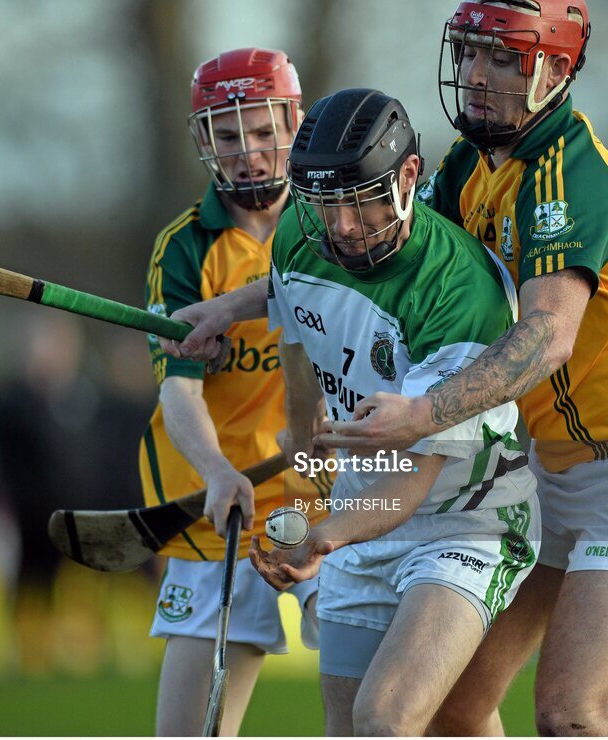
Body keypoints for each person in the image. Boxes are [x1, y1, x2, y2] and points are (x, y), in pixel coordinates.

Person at [312, 2, 608, 735]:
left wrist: (422, 414)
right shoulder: (466, 166)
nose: (476, 75)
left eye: (504, 58)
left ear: (557, 70)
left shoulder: (569, 173)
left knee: (572, 713)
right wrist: (239, 308)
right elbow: (383, 253)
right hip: (547, 469)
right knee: (453, 707)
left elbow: (547, 337)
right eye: (472, 53)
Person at [180, 87, 540, 736]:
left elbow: (412, 479)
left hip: (464, 523)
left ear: (407, 178)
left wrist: (324, 533)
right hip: (361, 508)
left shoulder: (461, 293)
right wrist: (300, 431)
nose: (342, 228)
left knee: (386, 720)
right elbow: (296, 340)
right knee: (363, 729)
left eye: (361, 203)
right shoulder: (297, 237)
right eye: (324, 205)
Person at [138, 47, 328, 736]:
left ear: (294, 123)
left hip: (332, 501)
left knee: (389, 710)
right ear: (204, 142)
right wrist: (217, 471)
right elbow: (178, 393)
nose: (247, 151)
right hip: (222, 506)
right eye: (227, 134)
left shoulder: (333, 224)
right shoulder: (186, 249)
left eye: (261, 129)